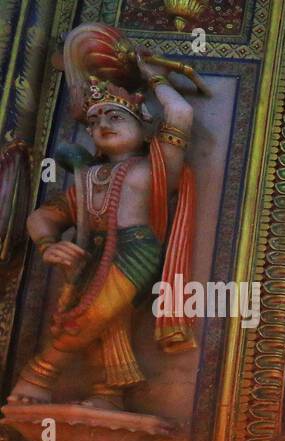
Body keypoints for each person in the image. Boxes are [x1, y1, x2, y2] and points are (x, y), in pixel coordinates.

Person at [9, 53, 195, 408]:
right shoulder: (86, 178)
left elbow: (182, 114)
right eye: (94, 122)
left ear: (144, 128)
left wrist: (151, 75)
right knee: (109, 324)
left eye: (115, 116)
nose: (102, 124)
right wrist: (48, 244)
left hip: (136, 251)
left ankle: (38, 375)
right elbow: (41, 218)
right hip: (92, 254)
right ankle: (107, 394)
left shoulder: (153, 168)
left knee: (89, 315)